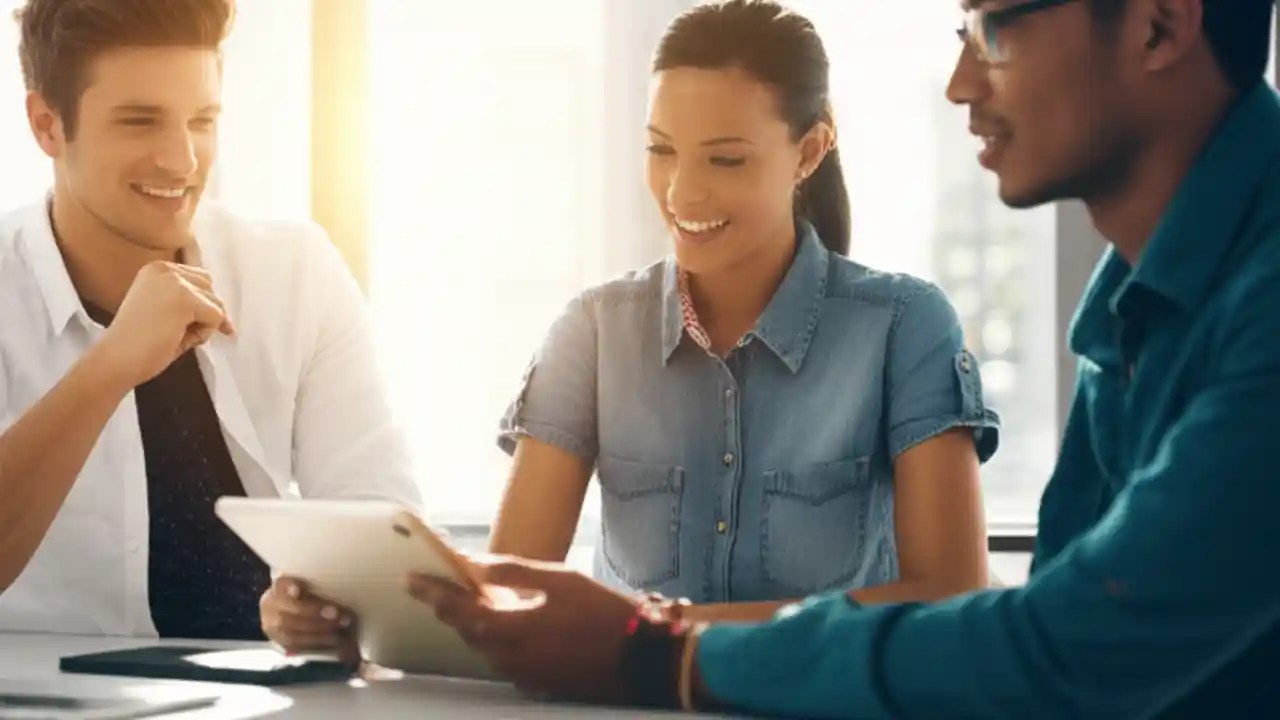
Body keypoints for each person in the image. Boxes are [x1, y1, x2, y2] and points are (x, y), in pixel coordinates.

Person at [409, 0, 1280, 715]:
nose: (958, 83)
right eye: (960, 33)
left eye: (994, 30)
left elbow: (1058, 647)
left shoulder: (1253, 304)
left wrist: (662, 652)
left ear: (1159, 28)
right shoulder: (1133, 315)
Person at [484, 0, 1000, 624]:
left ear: (808, 152)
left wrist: (664, 636)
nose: (681, 191)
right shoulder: (591, 333)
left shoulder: (904, 327)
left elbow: (949, 597)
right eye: (661, 150)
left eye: (724, 159)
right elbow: (506, 596)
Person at [0, 0, 419, 648]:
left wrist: (327, 603)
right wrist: (113, 365)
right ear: (47, 125)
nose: (183, 160)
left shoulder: (293, 271)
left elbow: (383, 526)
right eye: (139, 122)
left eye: (202, 121)